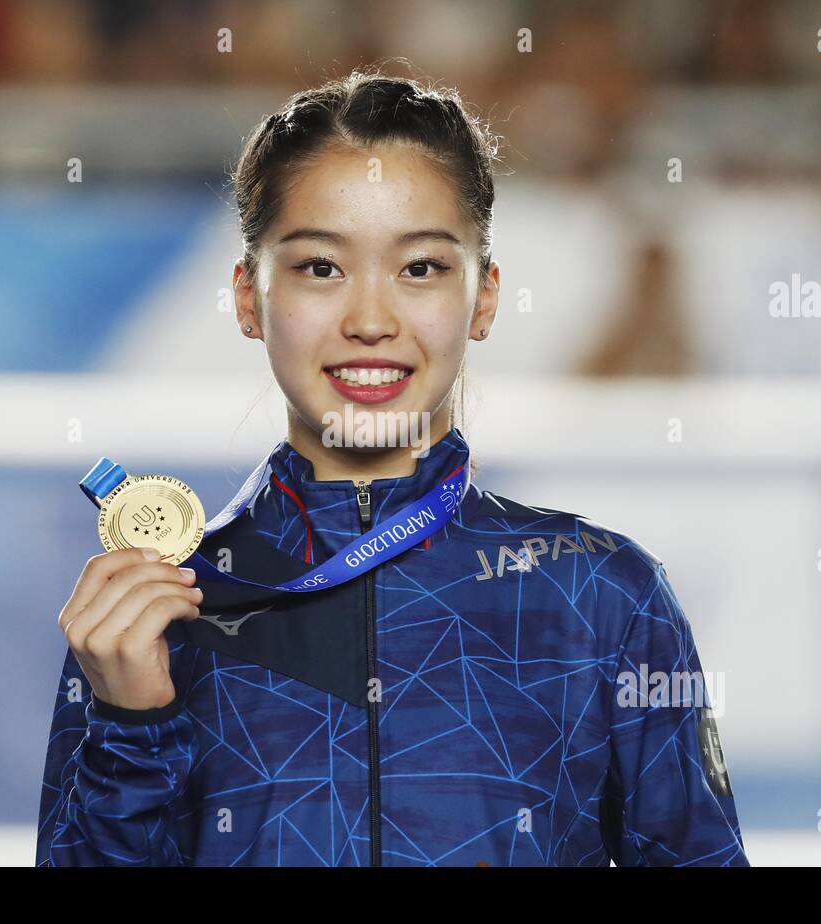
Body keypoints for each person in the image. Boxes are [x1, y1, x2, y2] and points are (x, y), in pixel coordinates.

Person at [36, 68, 748, 867]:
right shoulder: (157, 614)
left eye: (420, 268)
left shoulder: (603, 593)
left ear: (483, 298)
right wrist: (133, 728)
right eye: (319, 268)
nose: (370, 321)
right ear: (246, 297)